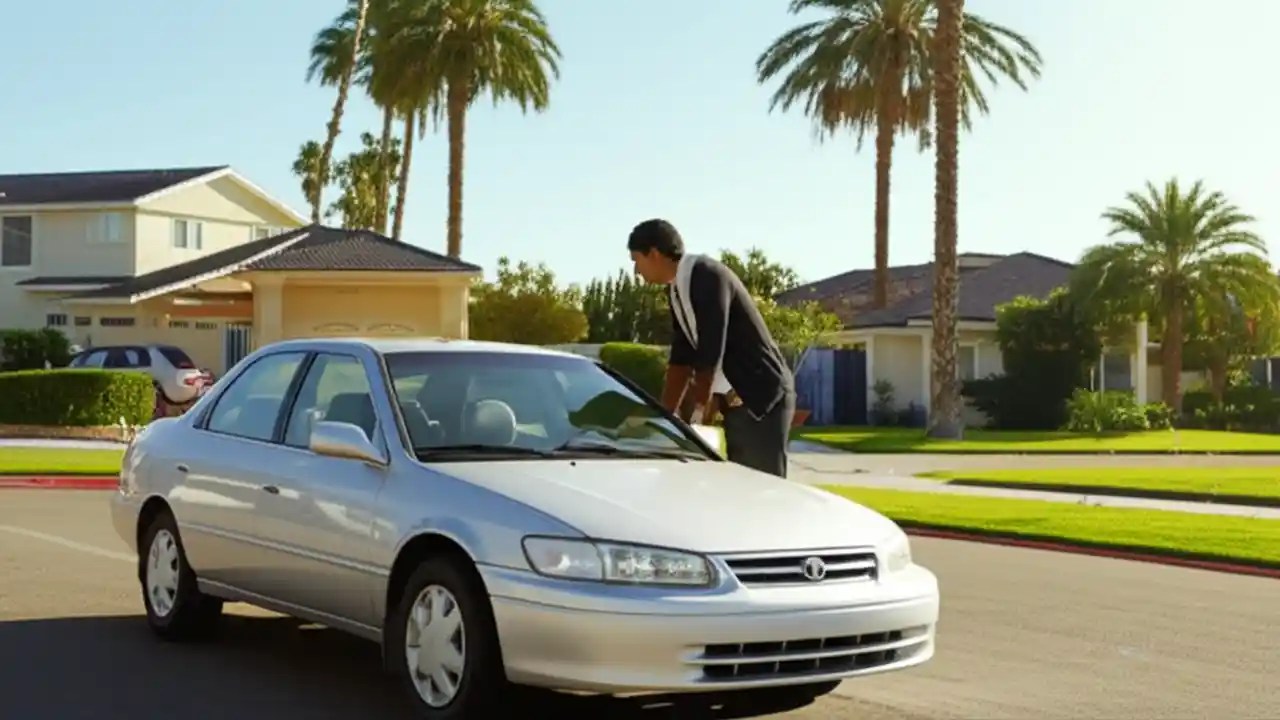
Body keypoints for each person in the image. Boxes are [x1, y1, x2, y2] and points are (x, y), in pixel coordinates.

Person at [627, 218, 796, 477]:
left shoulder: (706, 274)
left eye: (636, 260)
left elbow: (711, 344)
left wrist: (697, 410)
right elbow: (681, 356)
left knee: (764, 492)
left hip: (761, 399)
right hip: (736, 405)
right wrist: (665, 417)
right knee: (740, 489)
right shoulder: (676, 290)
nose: (637, 271)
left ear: (654, 253)